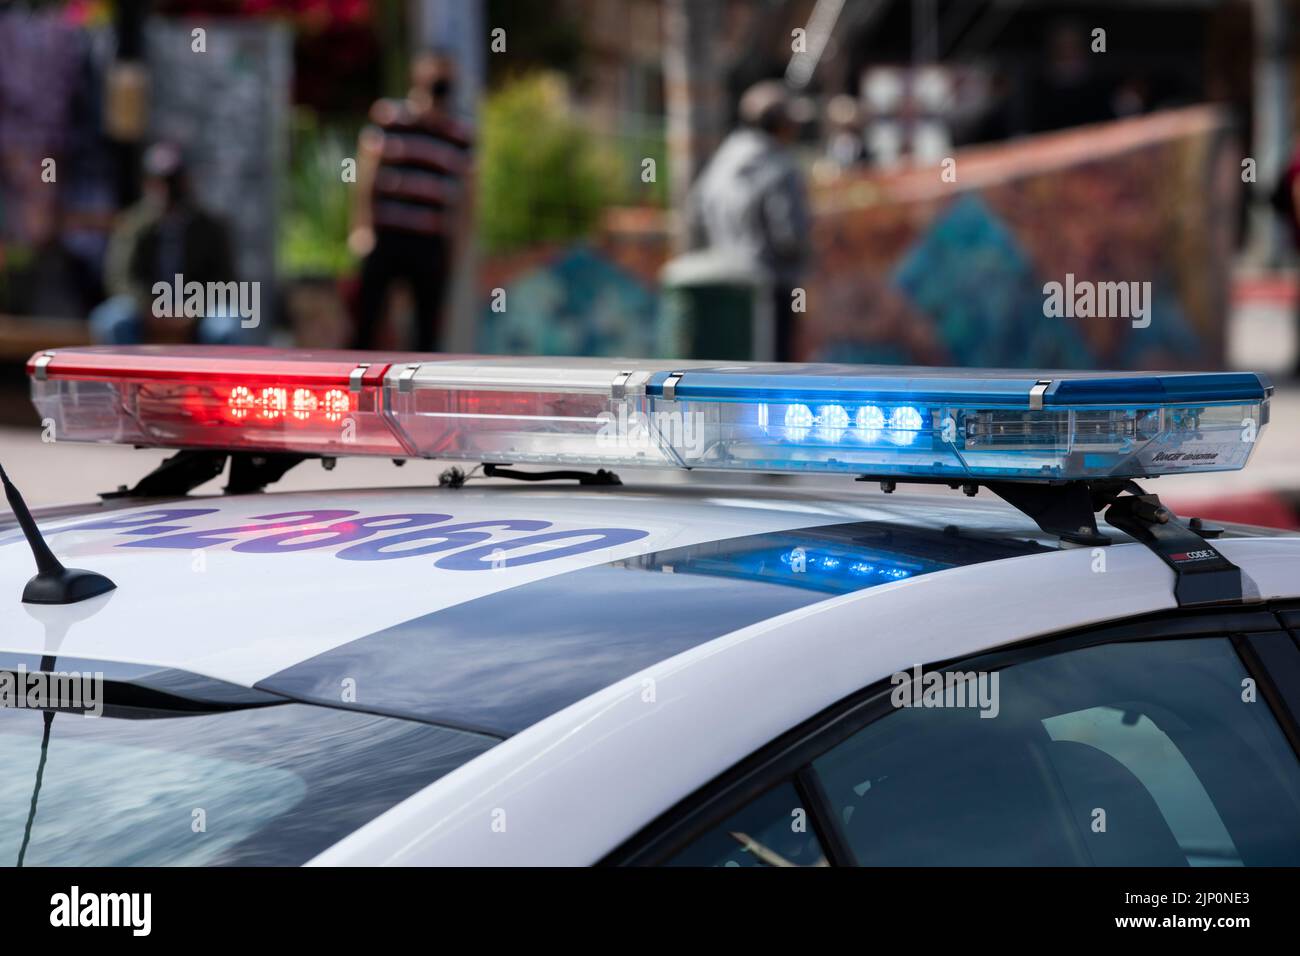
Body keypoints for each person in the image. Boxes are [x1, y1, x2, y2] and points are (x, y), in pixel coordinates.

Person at [350, 50, 475, 352]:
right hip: (387, 235)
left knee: (427, 328)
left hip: (429, 241)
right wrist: (361, 227)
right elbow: (366, 176)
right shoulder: (390, 120)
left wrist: (457, 247)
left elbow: (466, 196)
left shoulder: (458, 134)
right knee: (367, 319)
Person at [687, 80, 811, 362]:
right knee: (774, 383)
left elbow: (695, 210)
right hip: (770, 288)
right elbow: (789, 236)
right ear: (780, 123)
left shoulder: (725, 157)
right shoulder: (780, 165)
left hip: (725, 282)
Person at [89, 142, 240, 344]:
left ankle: (212, 376)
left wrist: (190, 312)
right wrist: (150, 309)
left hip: (196, 311)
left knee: (225, 325)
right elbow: (120, 279)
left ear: (186, 182)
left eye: (172, 181)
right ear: (147, 183)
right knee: (112, 320)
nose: (166, 190)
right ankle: (127, 376)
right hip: (145, 311)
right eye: (159, 182)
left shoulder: (210, 228)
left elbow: (225, 282)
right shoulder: (133, 224)